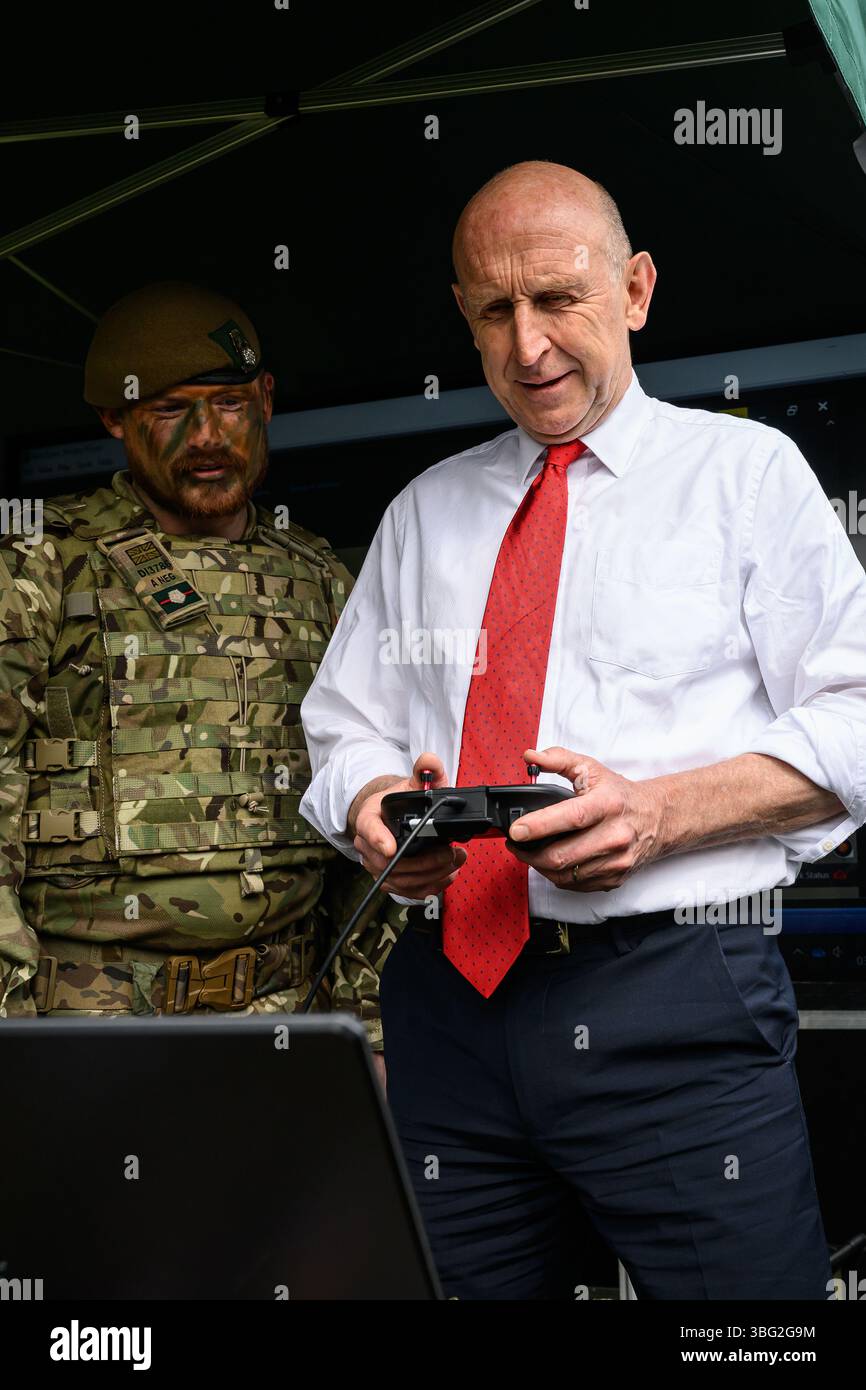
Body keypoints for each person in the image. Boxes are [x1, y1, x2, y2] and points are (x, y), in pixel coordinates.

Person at [299, 161, 866, 1298]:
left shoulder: (744, 477)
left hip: (671, 1000)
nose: (527, 346)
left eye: (556, 299)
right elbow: (340, 728)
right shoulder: (425, 510)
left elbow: (853, 716)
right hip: (447, 1010)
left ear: (636, 291)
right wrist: (372, 808)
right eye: (492, 311)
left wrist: (658, 814)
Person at [0, 281, 398, 1077]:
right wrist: (15, 1038)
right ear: (115, 420)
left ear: (266, 400)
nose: (208, 436)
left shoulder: (321, 579)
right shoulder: (40, 566)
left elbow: (376, 829)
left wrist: (362, 1023)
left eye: (228, 403)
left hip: (286, 1020)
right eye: (170, 410)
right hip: (85, 1026)